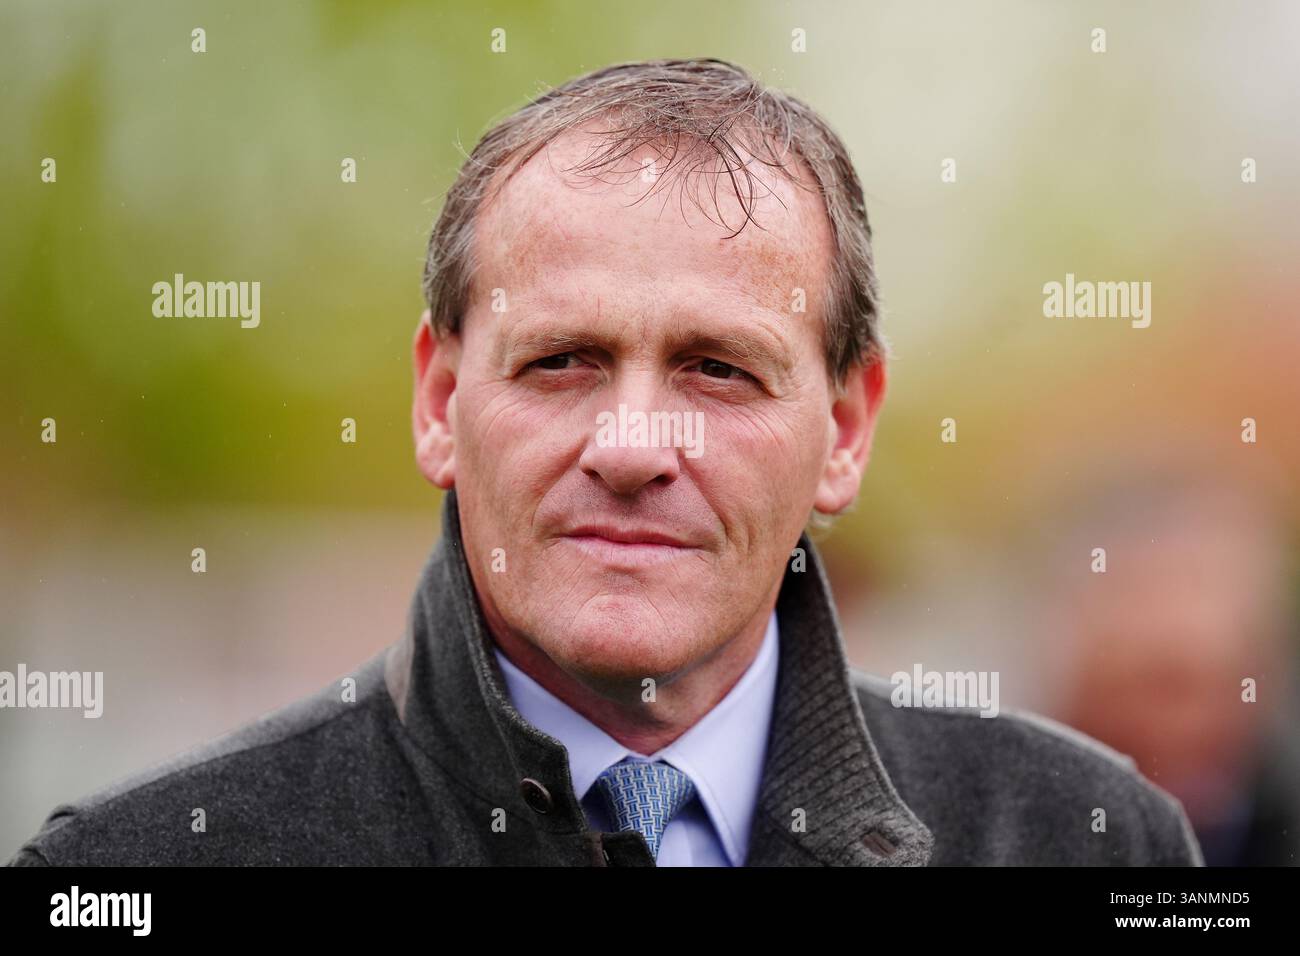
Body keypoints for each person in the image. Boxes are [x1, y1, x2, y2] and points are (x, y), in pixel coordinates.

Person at [8, 58, 1201, 866]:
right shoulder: (140, 870)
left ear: (843, 430)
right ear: (439, 399)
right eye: (564, 360)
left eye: (718, 370)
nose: (633, 447)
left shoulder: (1082, 838)